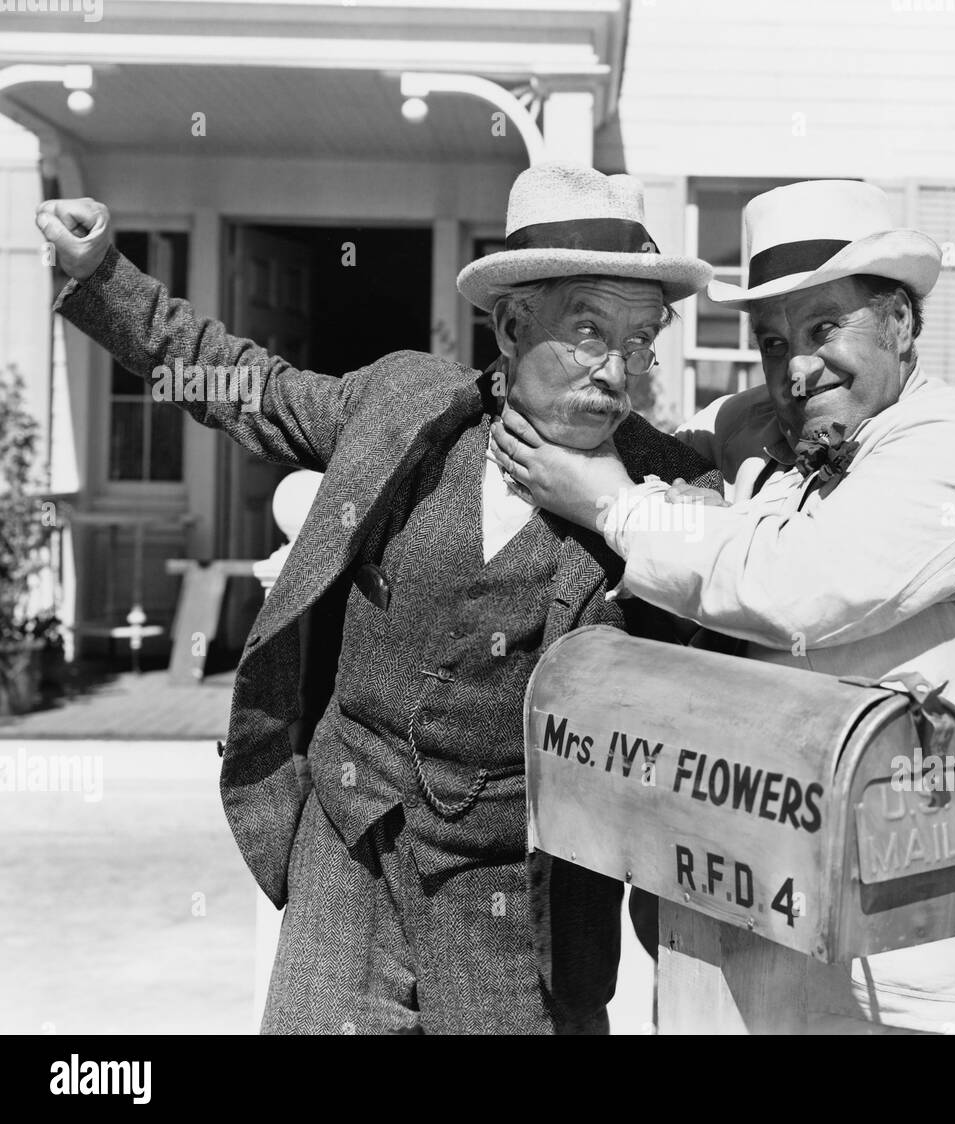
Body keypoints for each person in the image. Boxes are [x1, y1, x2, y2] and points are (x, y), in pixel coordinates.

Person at [36, 163, 717, 1035]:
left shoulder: (666, 492)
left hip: (519, 901)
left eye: (639, 340)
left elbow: (737, 608)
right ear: (512, 324)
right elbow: (245, 385)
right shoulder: (404, 406)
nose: (615, 369)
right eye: (589, 330)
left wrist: (615, 503)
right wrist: (104, 276)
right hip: (351, 840)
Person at [490, 179, 955, 1034]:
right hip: (757, 913)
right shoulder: (755, 426)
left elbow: (795, 584)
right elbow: (631, 439)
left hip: (915, 928)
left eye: (825, 329)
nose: (798, 367)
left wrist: (612, 503)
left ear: (900, 322)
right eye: (774, 341)